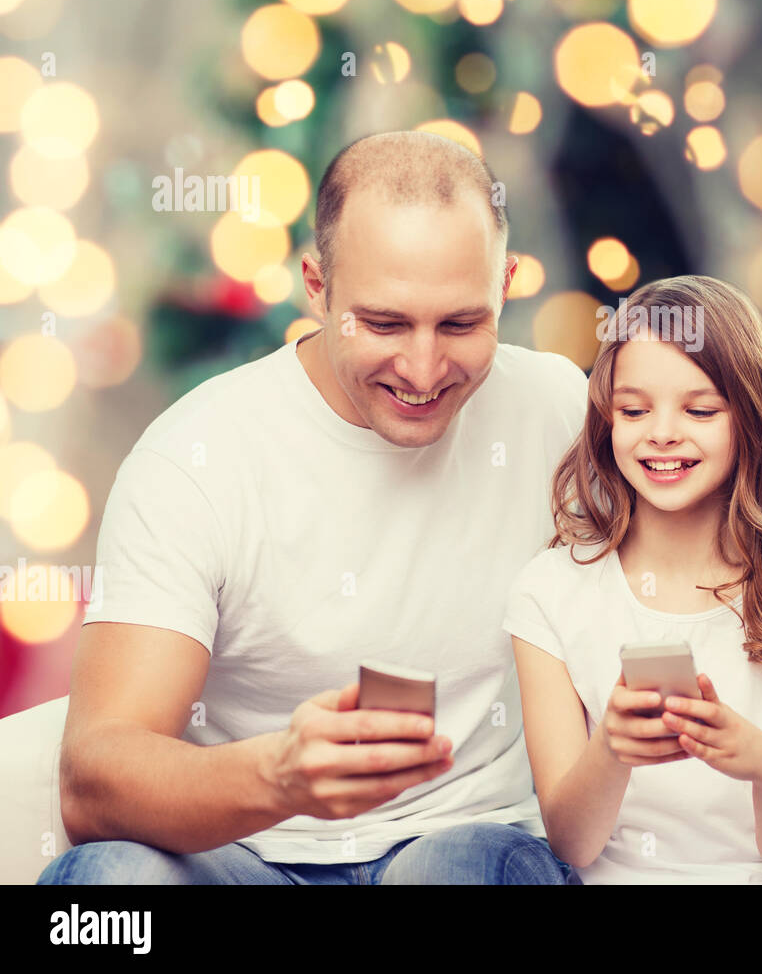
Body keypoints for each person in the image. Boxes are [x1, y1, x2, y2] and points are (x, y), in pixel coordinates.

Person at [38, 130, 588, 886]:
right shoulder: (194, 458)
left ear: (508, 285)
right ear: (317, 285)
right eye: (386, 323)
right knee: (106, 881)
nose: (424, 369)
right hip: (243, 856)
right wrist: (280, 778)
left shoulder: (560, 410)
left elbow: (720, 538)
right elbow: (93, 780)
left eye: (461, 323)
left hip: (459, 844)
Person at [503, 276, 762, 884]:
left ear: (750, 420)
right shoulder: (550, 592)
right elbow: (572, 844)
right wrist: (611, 746)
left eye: (699, 410)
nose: (661, 432)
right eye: (634, 410)